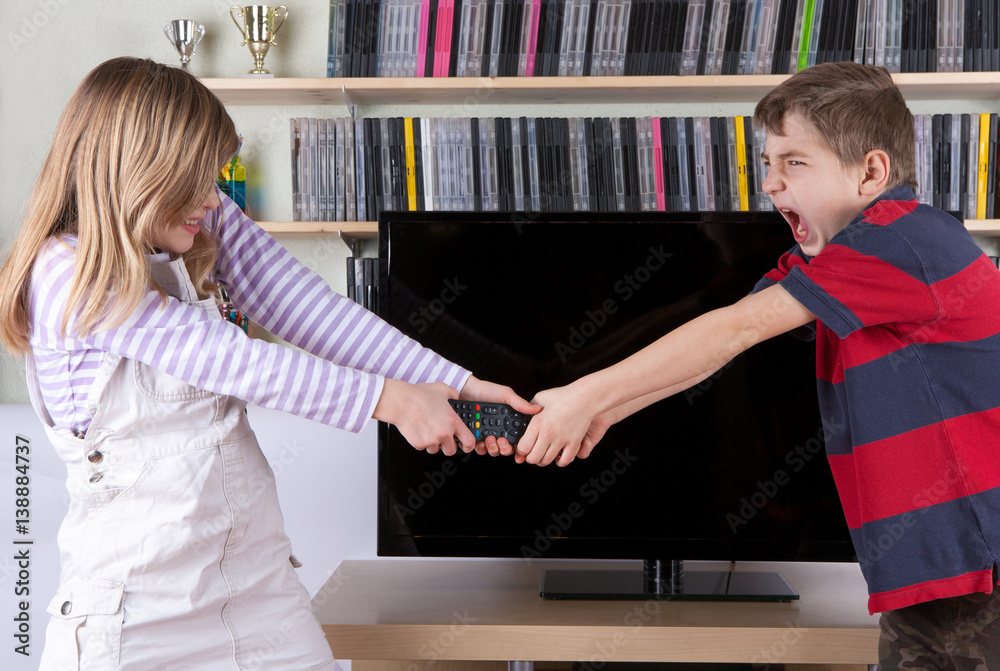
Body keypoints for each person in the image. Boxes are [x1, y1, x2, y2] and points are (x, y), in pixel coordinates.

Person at [0, 57, 535, 670]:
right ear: (140, 172)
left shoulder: (201, 217)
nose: (212, 198)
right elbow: (230, 360)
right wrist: (393, 402)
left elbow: (311, 311)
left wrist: (457, 385)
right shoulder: (64, 274)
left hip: (261, 598)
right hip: (133, 620)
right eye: (194, 181)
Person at [515, 61, 1000, 667]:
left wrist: (585, 397)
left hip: (983, 564)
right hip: (932, 573)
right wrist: (604, 412)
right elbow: (720, 342)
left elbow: (735, 330)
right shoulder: (836, 260)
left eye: (794, 162)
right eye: (767, 163)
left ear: (871, 172)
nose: (770, 183)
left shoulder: (903, 241)